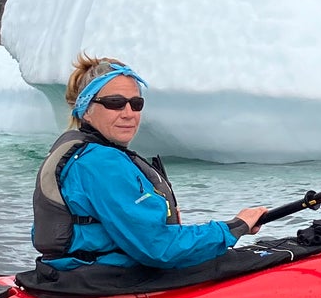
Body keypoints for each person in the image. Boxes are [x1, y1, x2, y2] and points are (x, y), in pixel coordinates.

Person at [30, 56, 269, 271]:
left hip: (82, 271)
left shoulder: (86, 154)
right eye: (115, 103)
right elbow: (157, 248)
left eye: (136, 104)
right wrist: (232, 228)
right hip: (102, 278)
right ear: (86, 109)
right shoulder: (100, 163)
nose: (128, 113)